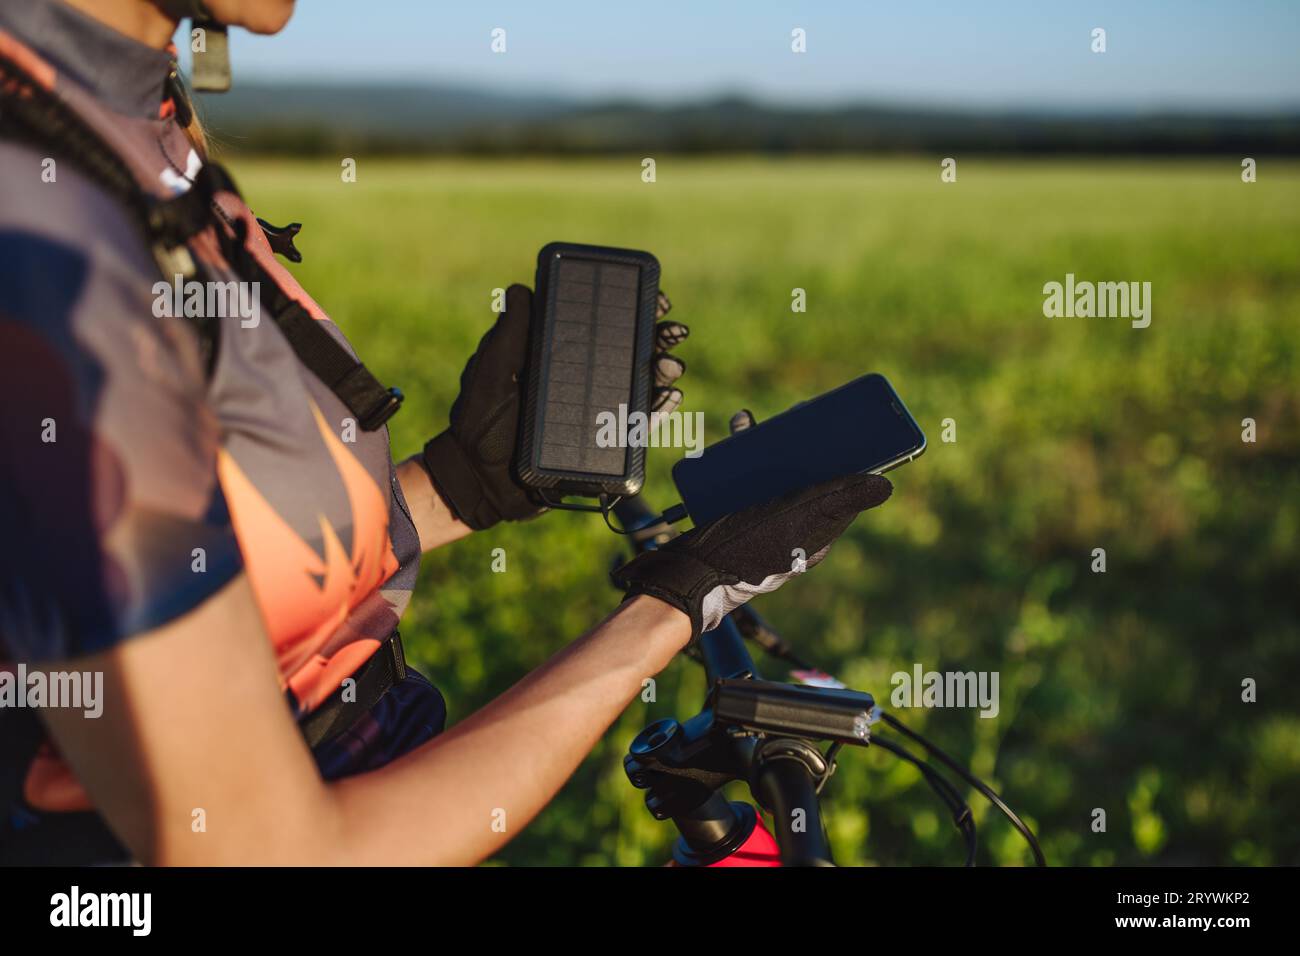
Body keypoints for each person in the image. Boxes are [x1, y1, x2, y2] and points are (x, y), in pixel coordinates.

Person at [0, 0, 892, 865]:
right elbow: (263, 848)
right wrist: (673, 604)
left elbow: (226, 558)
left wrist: (463, 482)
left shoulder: (129, 123)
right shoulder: (43, 237)